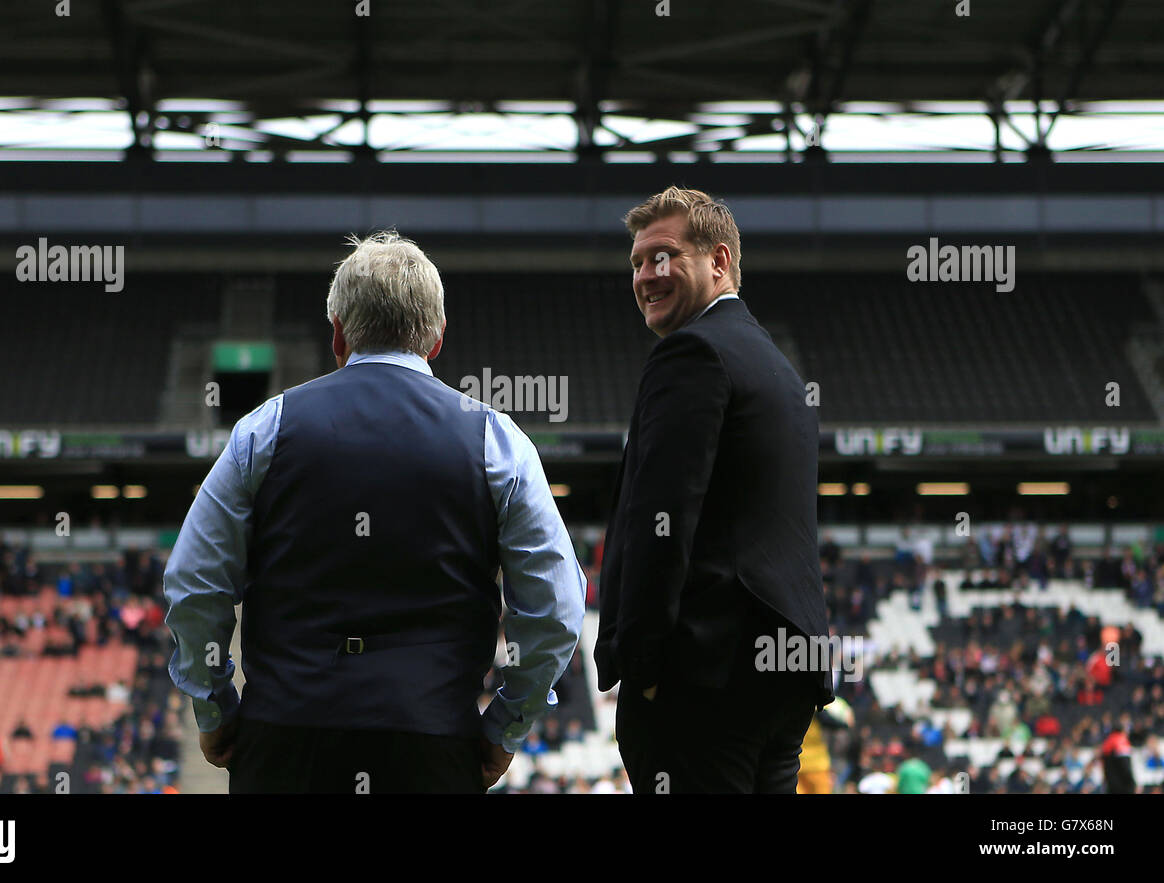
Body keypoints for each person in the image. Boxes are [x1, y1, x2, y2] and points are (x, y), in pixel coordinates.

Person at [164, 230, 585, 793]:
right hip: (432, 745)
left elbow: (195, 583)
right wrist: (506, 724)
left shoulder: (263, 430)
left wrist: (215, 707)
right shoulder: (495, 440)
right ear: (436, 340)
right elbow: (555, 607)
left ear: (337, 333)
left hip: (285, 744)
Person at [595, 186, 833, 793]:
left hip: (703, 678)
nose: (647, 275)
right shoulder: (779, 369)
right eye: (638, 263)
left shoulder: (693, 354)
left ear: (719, 261)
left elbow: (660, 522)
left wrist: (642, 665)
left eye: (664, 257)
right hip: (781, 675)